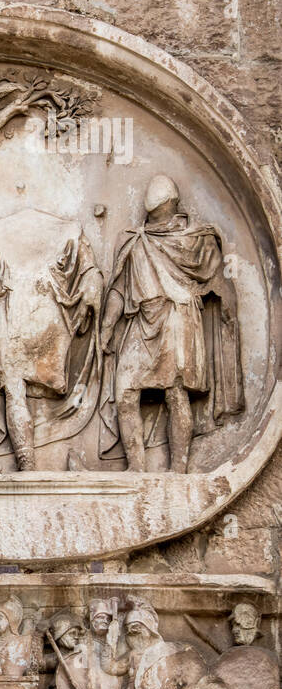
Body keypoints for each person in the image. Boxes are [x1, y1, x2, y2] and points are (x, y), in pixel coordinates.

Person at [100, 174, 243, 473]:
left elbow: (219, 279)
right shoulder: (135, 240)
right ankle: (136, 467)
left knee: (176, 392)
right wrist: (107, 327)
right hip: (142, 320)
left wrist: (228, 307)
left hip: (179, 317)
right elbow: (118, 289)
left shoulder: (194, 238)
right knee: (125, 391)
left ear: (172, 204)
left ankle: (179, 468)